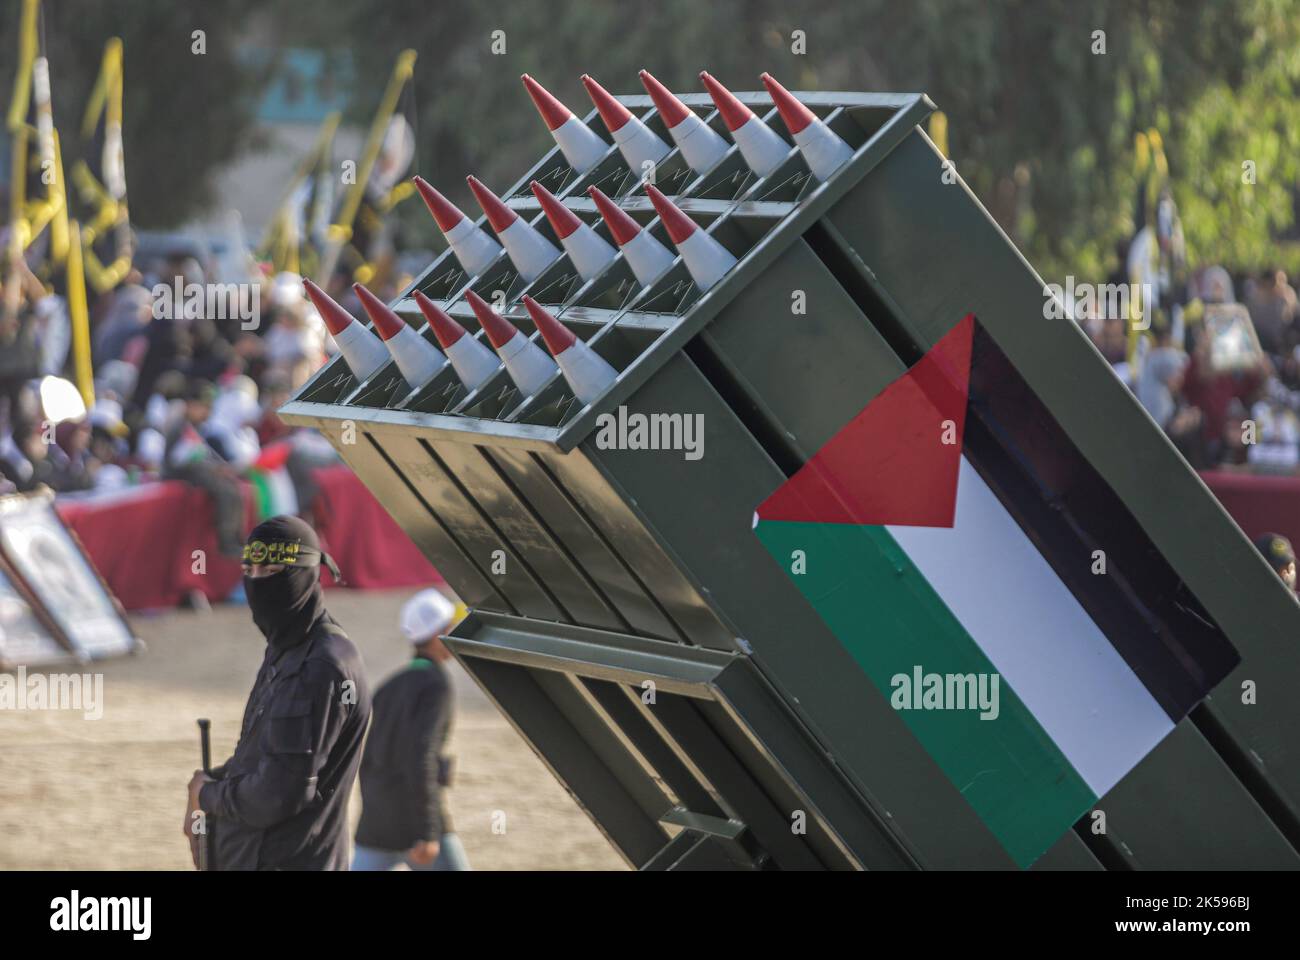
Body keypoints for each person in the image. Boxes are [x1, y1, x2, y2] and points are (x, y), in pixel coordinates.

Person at [185, 515, 372, 870]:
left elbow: (279, 793)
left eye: (272, 571)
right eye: (250, 571)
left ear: (307, 573)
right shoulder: (287, 648)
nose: (258, 582)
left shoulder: (321, 665)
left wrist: (207, 795)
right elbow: (263, 757)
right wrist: (210, 781)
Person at [353, 588, 471, 871]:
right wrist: (428, 831)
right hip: (415, 823)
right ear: (436, 635)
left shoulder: (390, 685)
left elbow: (367, 759)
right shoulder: (436, 686)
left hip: (376, 822)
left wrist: (372, 812)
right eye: (450, 627)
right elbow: (422, 757)